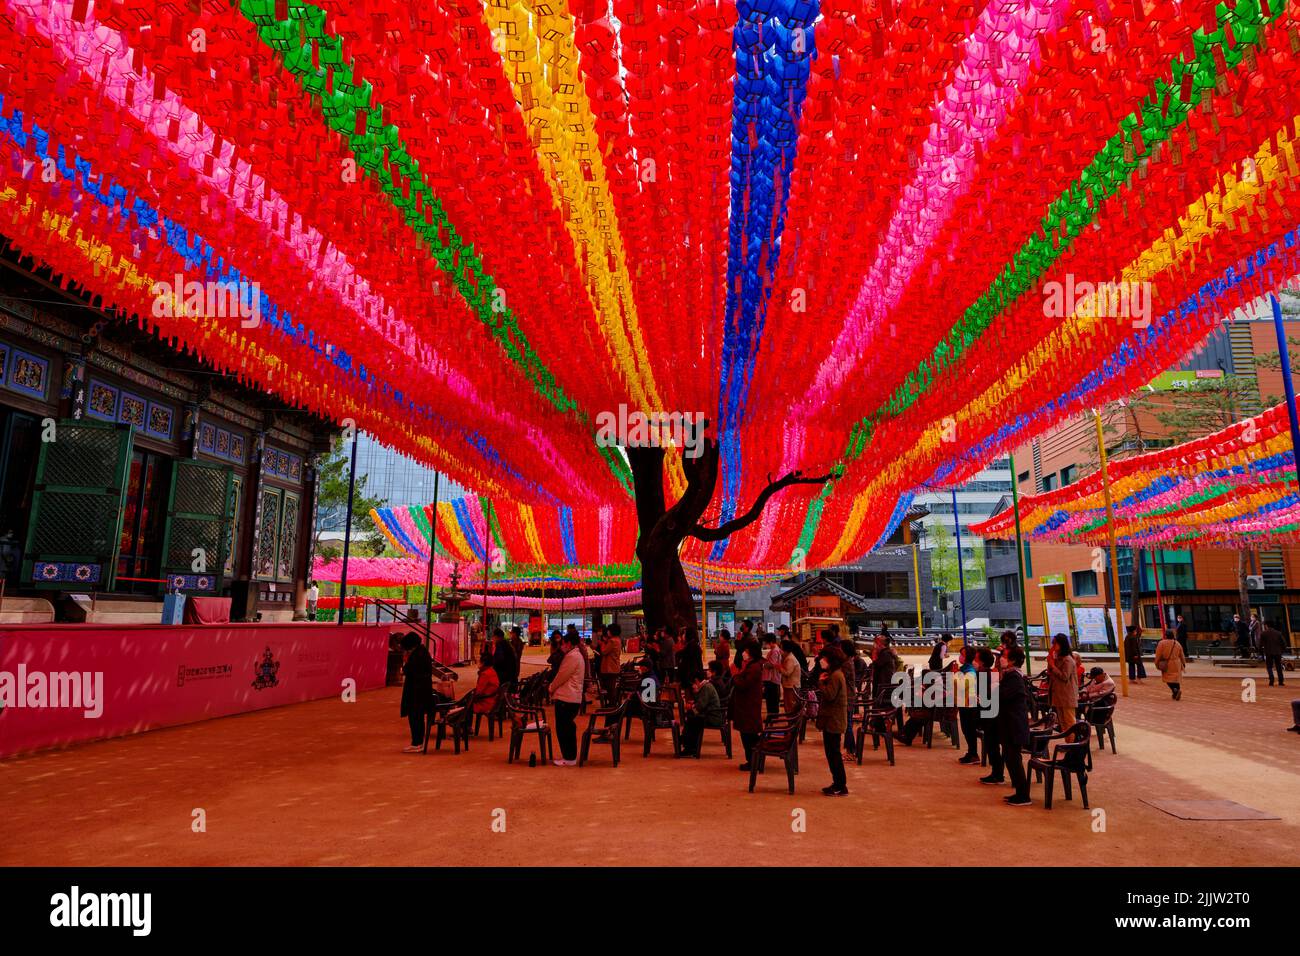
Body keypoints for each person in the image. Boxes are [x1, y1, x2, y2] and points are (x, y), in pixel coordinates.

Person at [998, 646, 1033, 807]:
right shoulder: (1012, 675)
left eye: (1004, 656)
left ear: (1012, 660)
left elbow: (1003, 695)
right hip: (1011, 723)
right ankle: (1020, 792)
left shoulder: (1013, 677)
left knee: (1013, 758)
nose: (1001, 658)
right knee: (1011, 757)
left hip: (1013, 724)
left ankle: (1023, 795)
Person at [815, 645, 850, 796]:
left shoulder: (836, 676)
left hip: (834, 721)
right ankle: (837, 782)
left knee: (834, 754)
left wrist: (821, 683)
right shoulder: (834, 674)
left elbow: (829, 695)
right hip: (832, 720)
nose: (821, 661)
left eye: (824, 658)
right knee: (831, 753)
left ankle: (840, 785)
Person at [548, 631, 585, 765]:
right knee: (567, 727)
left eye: (563, 643)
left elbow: (561, 676)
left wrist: (551, 687)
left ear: (568, 643)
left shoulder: (572, 657)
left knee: (564, 728)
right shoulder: (575, 655)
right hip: (571, 696)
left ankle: (569, 757)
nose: (561, 646)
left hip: (567, 697)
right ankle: (569, 756)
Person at [731, 642, 764, 770]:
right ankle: (751, 760)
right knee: (746, 735)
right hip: (745, 705)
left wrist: (735, 674)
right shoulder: (750, 666)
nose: (743, 653)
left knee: (749, 735)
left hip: (749, 706)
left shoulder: (754, 667)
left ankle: (754, 761)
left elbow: (744, 684)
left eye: (746, 651)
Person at [399, 632, 433, 753]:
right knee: (416, 717)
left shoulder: (417, 655)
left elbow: (407, 670)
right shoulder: (422, 652)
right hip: (420, 690)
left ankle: (417, 742)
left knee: (415, 717)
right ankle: (418, 742)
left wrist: (405, 666)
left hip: (416, 692)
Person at [976, 647, 1005, 784]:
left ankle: (998, 773)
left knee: (992, 744)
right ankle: (996, 772)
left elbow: (985, 695)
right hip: (989, 712)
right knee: (990, 744)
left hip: (990, 713)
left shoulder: (986, 674)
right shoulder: (986, 673)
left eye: (977, 657)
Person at [679, 672, 725, 757]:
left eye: (693, 683)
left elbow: (701, 705)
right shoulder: (706, 686)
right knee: (691, 718)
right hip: (709, 714)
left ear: (696, 680)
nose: (693, 685)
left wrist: (692, 707)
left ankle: (688, 745)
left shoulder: (706, 687)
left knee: (693, 720)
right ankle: (686, 743)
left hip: (712, 717)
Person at [1047, 633, 1079, 732]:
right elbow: (1052, 674)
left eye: (1055, 643)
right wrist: (1051, 664)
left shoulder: (1068, 660)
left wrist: (1053, 666)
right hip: (1058, 695)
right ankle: (1068, 742)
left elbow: (1065, 676)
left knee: (1069, 722)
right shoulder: (1058, 659)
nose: (1053, 646)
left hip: (1067, 696)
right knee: (1062, 722)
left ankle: (1072, 744)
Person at [956, 646, 982, 765]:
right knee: (966, 729)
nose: (960, 656)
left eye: (963, 654)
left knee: (969, 730)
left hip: (969, 704)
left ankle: (973, 754)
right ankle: (971, 752)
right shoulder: (964, 668)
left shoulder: (970, 670)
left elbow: (963, 685)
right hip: (964, 702)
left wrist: (955, 673)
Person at [1154, 628, 1186, 700]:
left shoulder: (1162, 643)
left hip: (1167, 664)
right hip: (1177, 663)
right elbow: (1182, 655)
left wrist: (1156, 663)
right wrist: (1183, 663)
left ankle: (1175, 690)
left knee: (1167, 678)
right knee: (1176, 679)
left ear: (1165, 635)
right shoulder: (1177, 643)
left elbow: (1158, 654)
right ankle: (1176, 692)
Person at [761, 633, 783, 717]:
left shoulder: (774, 651)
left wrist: (763, 664)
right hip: (773, 678)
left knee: (771, 700)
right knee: (772, 699)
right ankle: (772, 715)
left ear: (770, 642)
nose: (765, 644)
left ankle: (772, 716)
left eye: (766, 642)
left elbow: (771, 664)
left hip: (772, 679)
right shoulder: (775, 649)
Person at [599, 623, 623, 700]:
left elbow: (604, 651)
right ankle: (612, 704)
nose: (607, 632)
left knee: (610, 688)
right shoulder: (618, 639)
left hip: (610, 668)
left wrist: (602, 643)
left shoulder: (612, 641)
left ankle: (611, 706)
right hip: (614, 667)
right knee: (611, 687)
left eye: (609, 630)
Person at [1261, 621, 1287, 687]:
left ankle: (1271, 681)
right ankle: (1280, 682)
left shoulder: (1263, 633)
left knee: (1269, 667)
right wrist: (1282, 651)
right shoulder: (1278, 633)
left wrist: (1261, 653)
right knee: (1278, 667)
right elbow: (1284, 643)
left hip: (1268, 652)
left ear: (1266, 625)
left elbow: (1260, 644)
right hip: (1278, 652)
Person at [780, 639, 803, 712]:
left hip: (792, 686)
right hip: (788, 685)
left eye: (781, 648)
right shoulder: (787, 658)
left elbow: (787, 673)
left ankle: (792, 722)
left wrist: (779, 668)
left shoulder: (790, 659)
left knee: (791, 706)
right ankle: (791, 722)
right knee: (788, 705)